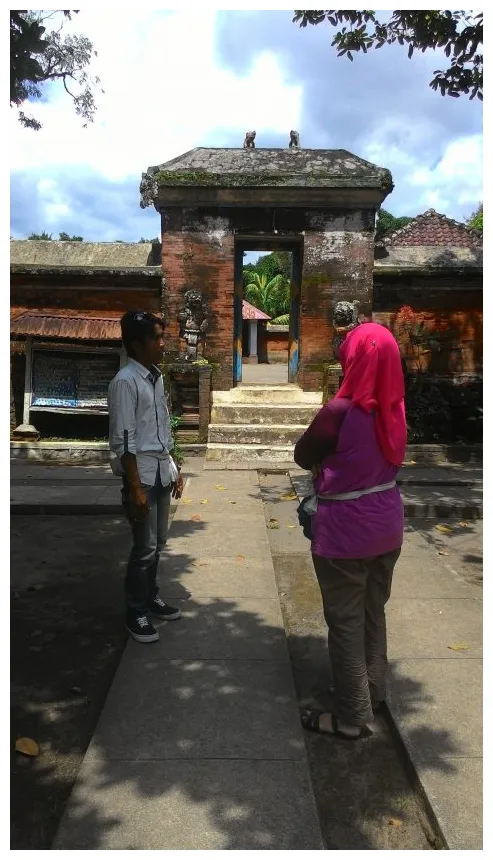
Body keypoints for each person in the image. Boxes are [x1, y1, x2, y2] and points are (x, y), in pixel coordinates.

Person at [294, 320, 406, 739]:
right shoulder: (396, 409)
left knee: (345, 621)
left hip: (345, 533)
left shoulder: (340, 412)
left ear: (354, 359)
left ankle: (351, 718)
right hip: (387, 527)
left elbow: (303, 454)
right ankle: (371, 692)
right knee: (373, 611)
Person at [108, 311, 184, 644]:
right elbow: (124, 440)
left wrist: (174, 465)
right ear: (138, 344)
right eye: (157, 338)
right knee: (145, 548)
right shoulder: (125, 382)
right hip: (141, 475)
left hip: (161, 470)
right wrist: (135, 487)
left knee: (159, 544)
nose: (163, 344)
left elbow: (161, 425)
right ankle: (135, 611)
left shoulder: (155, 376)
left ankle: (151, 597)